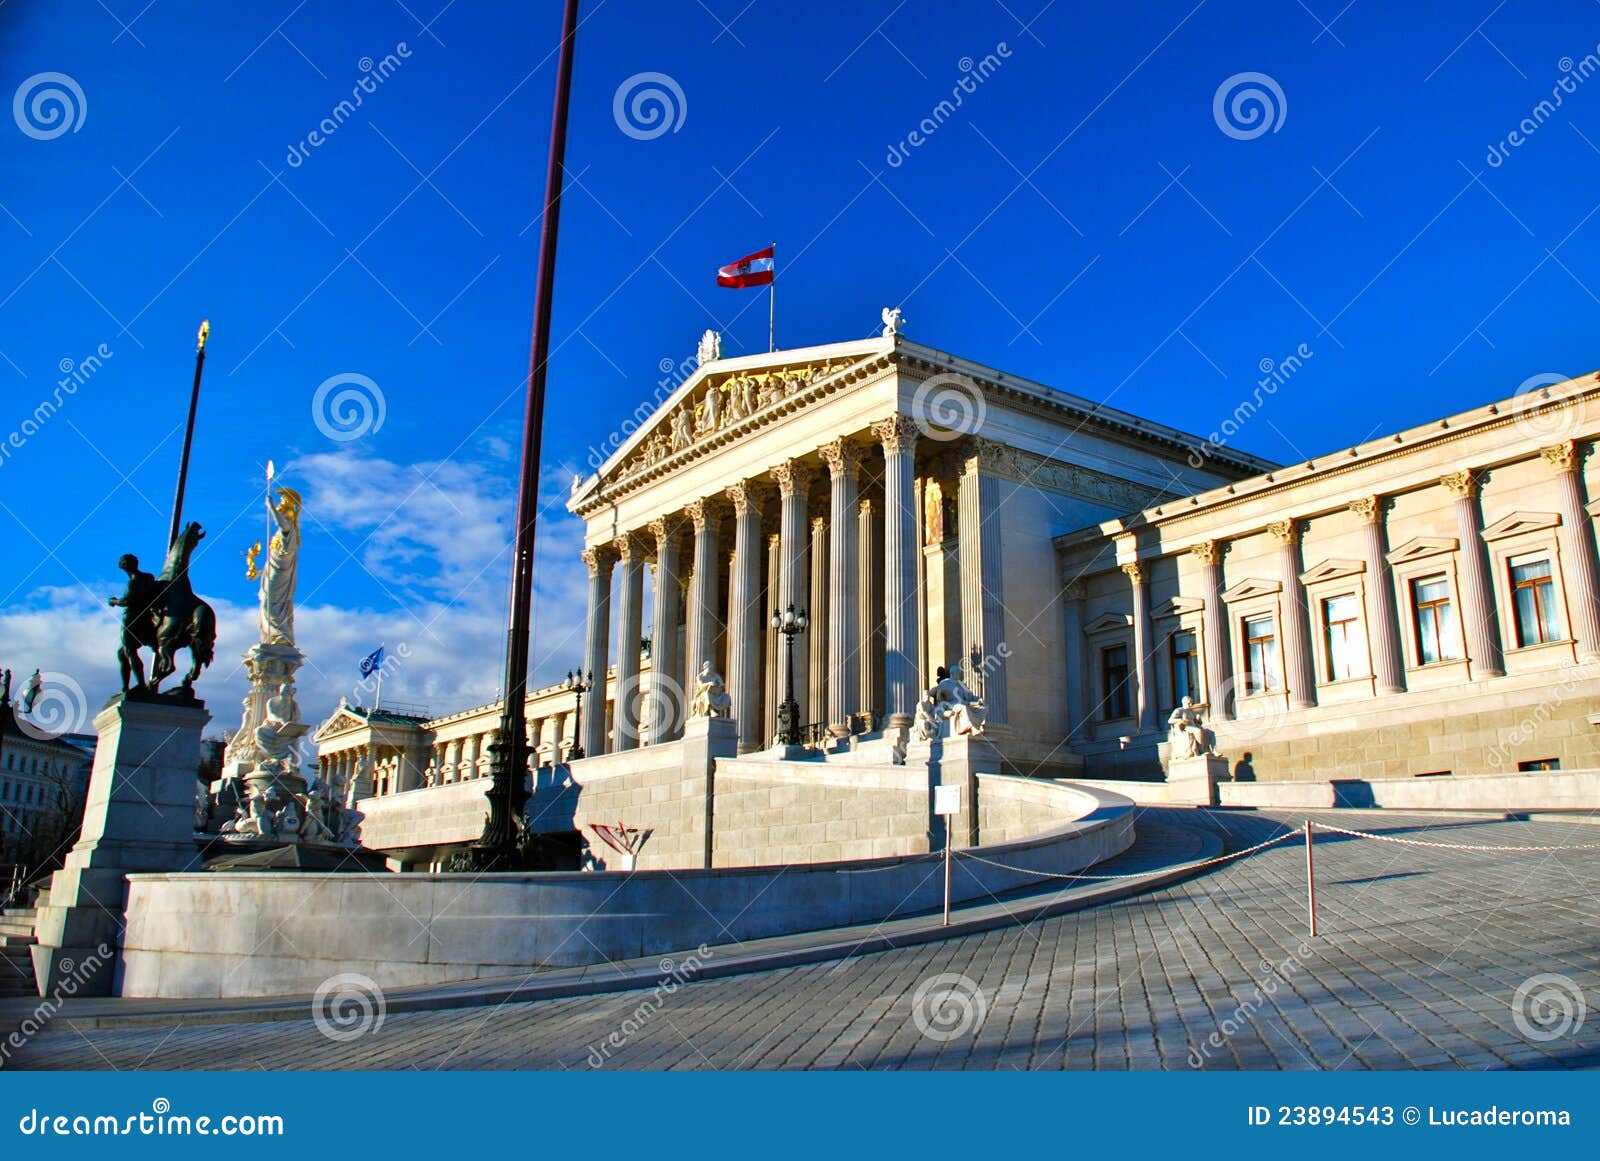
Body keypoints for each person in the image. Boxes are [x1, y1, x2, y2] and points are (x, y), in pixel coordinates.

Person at [108, 553, 160, 691]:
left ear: (124, 567)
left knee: (129, 651)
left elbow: (126, 601)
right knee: (122, 653)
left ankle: (141, 685)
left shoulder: (133, 582)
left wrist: (113, 601)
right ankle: (125, 687)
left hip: (132, 618)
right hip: (146, 618)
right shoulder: (149, 577)